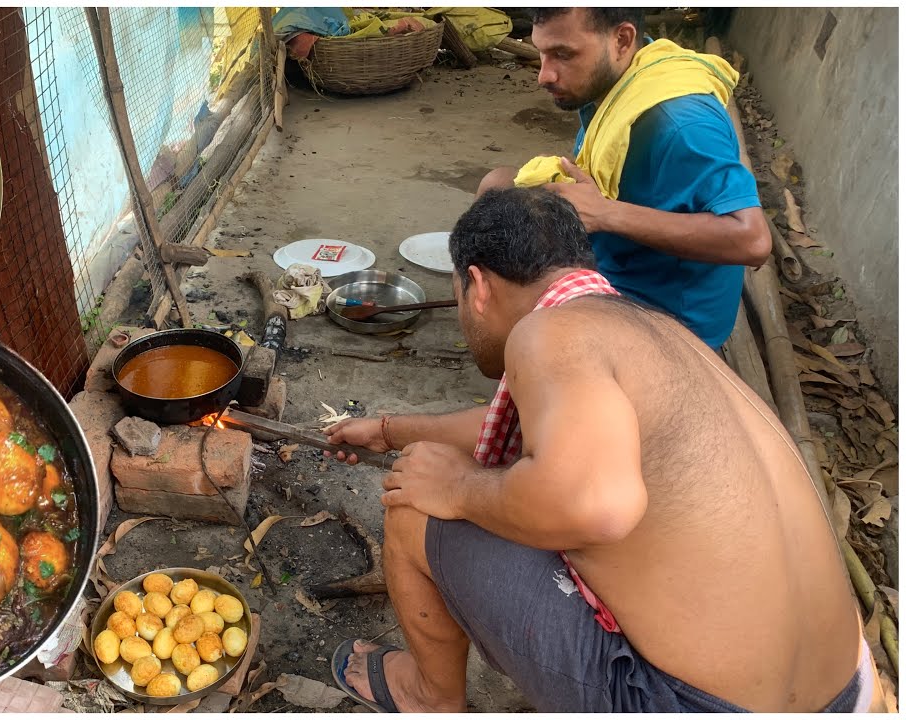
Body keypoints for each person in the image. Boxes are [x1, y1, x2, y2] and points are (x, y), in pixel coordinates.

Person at [324, 187, 872, 712]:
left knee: (415, 503)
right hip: (846, 694)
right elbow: (520, 427)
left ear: (479, 285)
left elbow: (594, 506)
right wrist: (390, 431)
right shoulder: (652, 329)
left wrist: (458, 488)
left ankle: (430, 698)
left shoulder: (547, 334)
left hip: (682, 705)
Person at [477, 8, 771, 350]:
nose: (544, 75)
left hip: (664, 318)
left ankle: (510, 361)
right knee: (496, 187)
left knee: (495, 301)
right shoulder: (621, 82)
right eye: (541, 52)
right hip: (618, 260)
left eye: (563, 54)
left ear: (622, 40)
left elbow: (752, 241)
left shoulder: (683, 126)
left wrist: (604, 213)